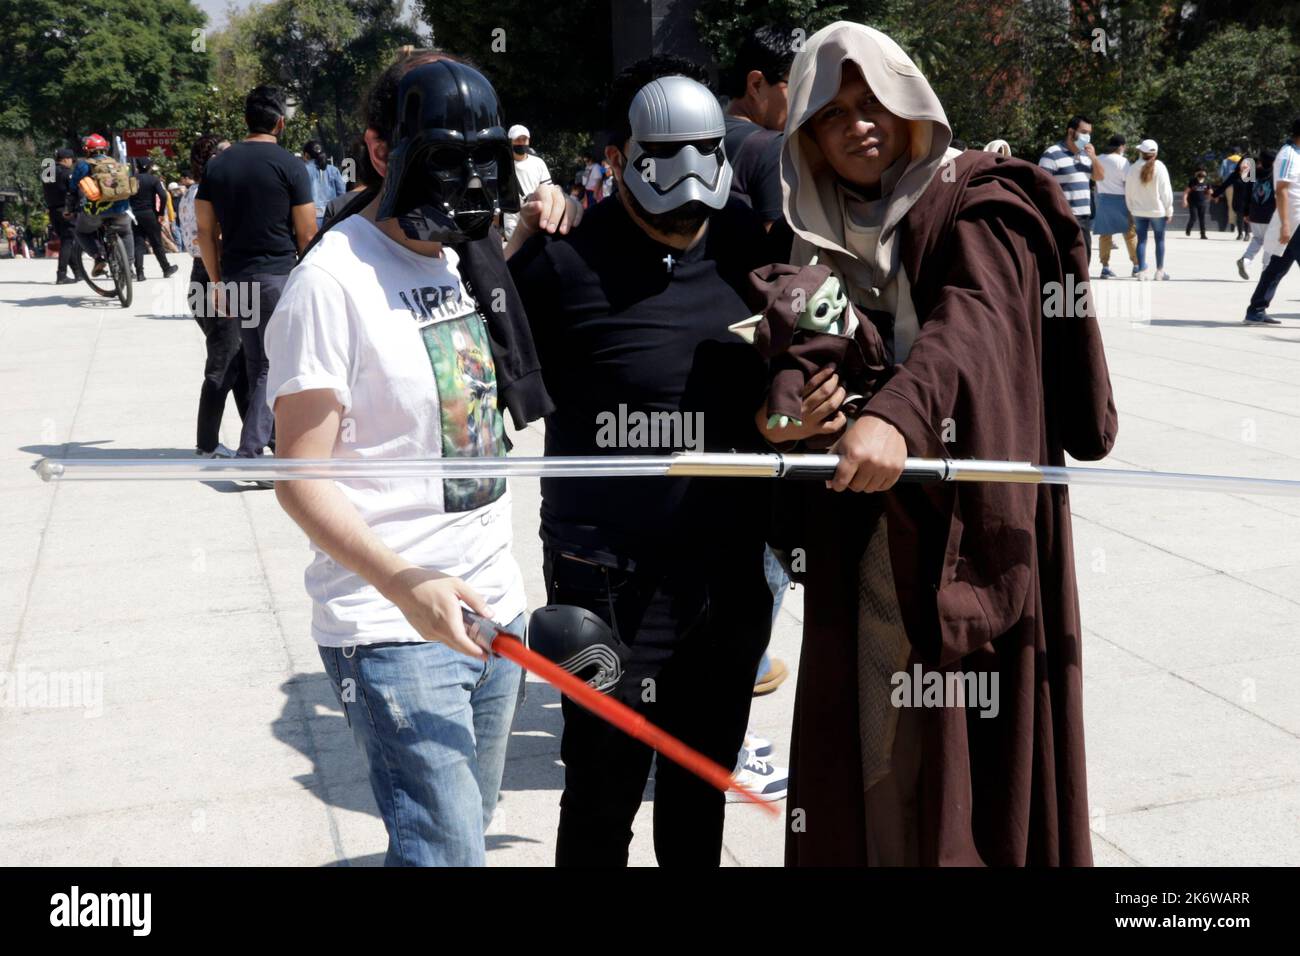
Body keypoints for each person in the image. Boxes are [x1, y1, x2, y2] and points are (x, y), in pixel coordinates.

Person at [772, 20, 1115, 866]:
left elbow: (974, 324)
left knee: (978, 755)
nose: (861, 124)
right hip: (873, 545)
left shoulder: (982, 200)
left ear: (913, 103)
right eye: (834, 113)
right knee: (883, 761)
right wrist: (789, 416)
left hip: (979, 535)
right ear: (807, 138)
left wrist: (896, 415)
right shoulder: (816, 239)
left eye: (876, 101)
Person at [265, 50, 574, 866]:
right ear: (379, 151)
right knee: (447, 853)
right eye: (444, 160)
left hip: (492, 607)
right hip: (391, 627)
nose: (469, 186)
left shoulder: (469, 261)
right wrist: (405, 584)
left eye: (486, 162)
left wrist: (540, 216)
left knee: (460, 833)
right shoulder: (330, 284)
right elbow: (297, 480)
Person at [508, 57, 794, 865]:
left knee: (700, 794)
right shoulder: (564, 261)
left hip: (728, 576)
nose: (686, 186)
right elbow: (469, 370)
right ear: (620, 158)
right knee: (600, 798)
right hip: (606, 580)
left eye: (704, 150)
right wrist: (515, 239)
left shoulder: (752, 247)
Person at [195, 86, 318, 461]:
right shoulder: (290, 165)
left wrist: (217, 283)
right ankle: (252, 451)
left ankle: (272, 441)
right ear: (280, 122)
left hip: (236, 277)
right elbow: (307, 232)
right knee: (274, 363)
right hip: (277, 277)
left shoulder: (218, 165)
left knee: (255, 362)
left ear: (245, 120)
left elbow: (204, 231)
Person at [180, 133, 247, 459]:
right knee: (223, 363)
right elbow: (212, 240)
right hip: (215, 279)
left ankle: (259, 437)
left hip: (205, 279)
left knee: (241, 362)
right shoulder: (208, 194)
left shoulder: (193, 192)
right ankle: (206, 443)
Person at [1242, 120, 1300, 326]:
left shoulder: (1297, 154)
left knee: (1276, 267)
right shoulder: (1288, 155)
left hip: (1295, 220)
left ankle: (1256, 310)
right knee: (1277, 267)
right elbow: (1282, 189)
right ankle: (1256, 309)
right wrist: (1285, 224)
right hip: (1294, 221)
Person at [1039, 115, 1104, 270]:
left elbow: (1100, 176)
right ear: (1071, 132)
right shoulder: (1052, 154)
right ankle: (1062, 294)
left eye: (1089, 132)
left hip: (1084, 219)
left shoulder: (1086, 156)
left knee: (1083, 263)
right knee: (1063, 264)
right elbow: (1040, 186)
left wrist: (1094, 158)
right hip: (1062, 218)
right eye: (1083, 132)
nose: (1087, 136)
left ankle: (1076, 294)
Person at [67, 133, 136, 277]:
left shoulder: (83, 165)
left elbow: (73, 188)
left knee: (81, 232)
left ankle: (98, 258)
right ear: (106, 148)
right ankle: (129, 265)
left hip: (95, 211)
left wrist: (71, 208)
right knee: (126, 232)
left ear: (87, 150)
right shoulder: (118, 164)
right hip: (121, 209)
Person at [1125, 139, 1173, 280]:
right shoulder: (1160, 167)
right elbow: (1166, 192)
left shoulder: (1134, 168)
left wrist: (1131, 208)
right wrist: (1169, 209)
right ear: (1155, 153)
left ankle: (1141, 271)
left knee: (1141, 240)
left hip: (1139, 211)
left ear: (1141, 152)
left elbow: (1129, 191)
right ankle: (1160, 272)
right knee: (1159, 240)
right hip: (1157, 210)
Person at [1094, 135, 1139, 278]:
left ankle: (1105, 267)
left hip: (1103, 199)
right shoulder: (1123, 162)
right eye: (1124, 146)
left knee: (1105, 235)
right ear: (1120, 146)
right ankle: (1136, 265)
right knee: (1130, 234)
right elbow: (1128, 182)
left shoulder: (1098, 159)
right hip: (1121, 199)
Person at [128, 158, 178, 281]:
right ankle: (166, 268)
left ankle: (140, 273)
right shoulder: (153, 179)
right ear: (149, 167)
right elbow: (163, 195)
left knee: (138, 243)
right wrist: (160, 212)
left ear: (137, 167)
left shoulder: (131, 180)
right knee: (156, 243)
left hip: (135, 215)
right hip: (150, 214)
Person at [501, 124, 552, 240]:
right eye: (517, 139)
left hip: (535, 213)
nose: (521, 143)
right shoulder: (503, 165)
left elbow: (548, 189)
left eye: (524, 139)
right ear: (510, 142)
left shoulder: (538, 163)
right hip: (512, 216)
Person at [1238, 147, 1276, 279]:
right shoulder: (1276, 173)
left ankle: (1246, 260)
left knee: (1258, 239)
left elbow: (1247, 193)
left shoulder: (1252, 172)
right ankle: (1266, 271)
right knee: (1271, 243)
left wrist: (1246, 212)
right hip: (1271, 215)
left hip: (1255, 213)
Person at [43, 147, 78, 284]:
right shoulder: (67, 173)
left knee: (66, 242)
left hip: (52, 210)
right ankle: (61, 274)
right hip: (65, 210)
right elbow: (72, 191)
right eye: (71, 159)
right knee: (68, 240)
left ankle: (77, 272)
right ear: (65, 159)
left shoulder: (48, 171)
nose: (72, 162)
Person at [301, 140, 347, 229]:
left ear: (306, 155)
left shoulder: (302, 170)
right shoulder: (334, 170)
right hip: (332, 218)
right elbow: (342, 194)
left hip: (310, 218)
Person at [1183, 167, 1212, 239]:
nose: (1201, 173)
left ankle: (1203, 234)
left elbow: (1210, 191)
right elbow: (1186, 192)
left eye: (1203, 172)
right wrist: (1184, 200)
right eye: (1200, 171)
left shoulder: (1207, 182)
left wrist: (1210, 196)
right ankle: (1188, 229)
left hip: (1202, 203)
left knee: (1202, 219)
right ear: (1196, 173)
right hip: (1193, 203)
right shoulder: (1192, 181)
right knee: (1193, 218)